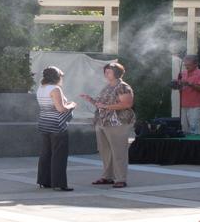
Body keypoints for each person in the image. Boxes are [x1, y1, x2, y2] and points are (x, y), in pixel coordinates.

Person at [80, 60, 135, 188]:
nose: (106, 73)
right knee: (105, 151)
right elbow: (102, 105)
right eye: (105, 71)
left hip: (118, 123)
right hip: (103, 122)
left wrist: (105, 105)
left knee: (118, 152)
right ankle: (107, 177)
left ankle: (120, 179)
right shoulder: (107, 86)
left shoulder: (123, 87)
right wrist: (91, 100)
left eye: (108, 71)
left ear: (116, 73)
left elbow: (127, 104)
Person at [36, 66, 75, 191]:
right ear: (57, 77)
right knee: (59, 155)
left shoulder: (41, 88)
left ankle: (44, 181)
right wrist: (72, 105)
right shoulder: (55, 89)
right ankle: (59, 183)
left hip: (44, 124)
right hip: (57, 126)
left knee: (45, 154)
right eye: (61, 76)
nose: (62, 78)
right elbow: (60, 109)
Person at [173, 55, 200, 135]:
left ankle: (196, 146)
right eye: (185, 64)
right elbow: (180, 87)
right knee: (184, 129)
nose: (186, 66)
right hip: (184, 105)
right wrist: (175, 85)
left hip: (195, 106)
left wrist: (190, 84)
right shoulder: (183, 73)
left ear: (195, 64)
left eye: (188, 65)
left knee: (194, 129)